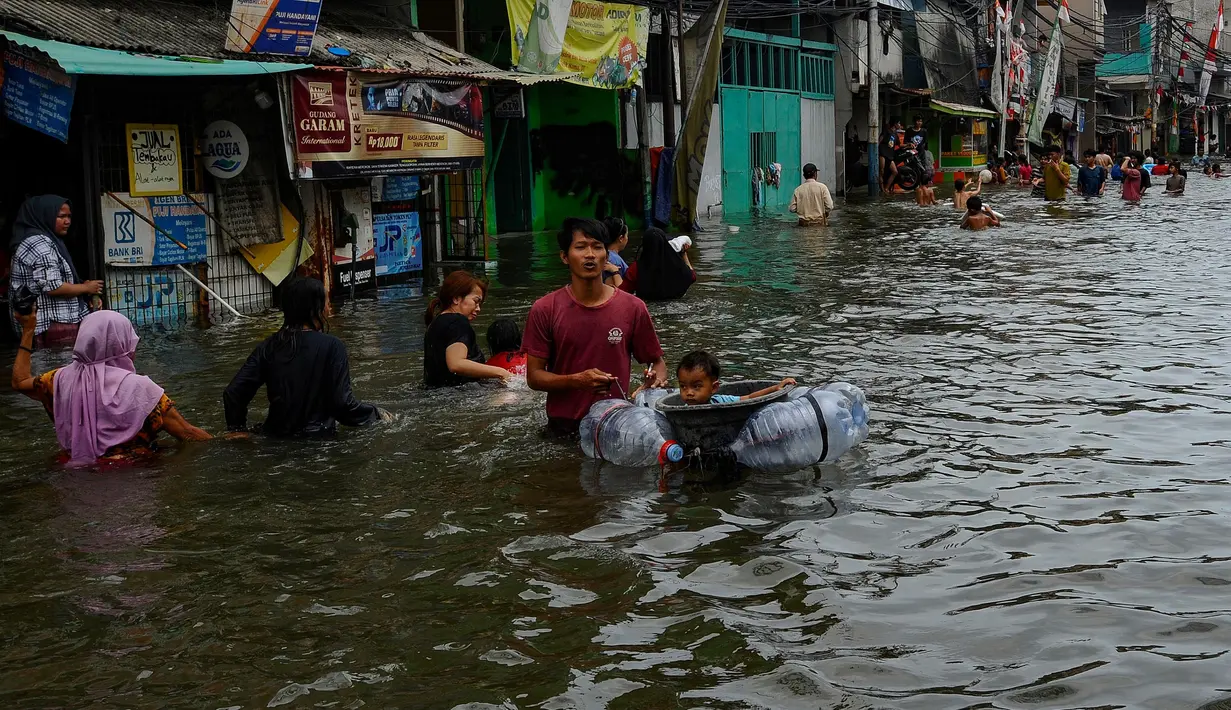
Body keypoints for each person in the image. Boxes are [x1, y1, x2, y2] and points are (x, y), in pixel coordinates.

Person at [524, 217, 668, 436]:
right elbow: (534, 377)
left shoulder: (633, 307)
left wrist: (652, 384)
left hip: (617, 423)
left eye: (597, 247)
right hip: (564, 425)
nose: (590, 255)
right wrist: (576, 381)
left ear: (607, 256)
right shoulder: (545, 309)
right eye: (581, 247)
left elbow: (656, 362)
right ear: (564, 257)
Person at [12, 308, 211, 464]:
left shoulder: (56, 380)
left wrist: (28, 329)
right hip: (132, 477)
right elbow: (187, 433)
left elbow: (19, 382)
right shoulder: (143, 390)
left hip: (73, 469)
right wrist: (224, 443)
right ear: (123, 342)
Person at [223, 278, 387, 436]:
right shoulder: (333, 346)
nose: (328, 307)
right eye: (326, 302)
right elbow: (342, 405)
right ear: (315, 308)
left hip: (274, 439)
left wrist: (237, 430)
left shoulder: (269, 346)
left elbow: (234, 392)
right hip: (318, 444)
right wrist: (376, 414)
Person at [8, 195, 102, 347]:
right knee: (56, 370)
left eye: (69, 216)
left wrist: (82, 289)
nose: (67, 221)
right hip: (51, 325)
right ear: (45, 216)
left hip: (54, 324)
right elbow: (53, 286)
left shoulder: (47, 240)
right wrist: (86, 288)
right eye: (61, 216)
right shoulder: (39, 244)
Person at [420, 270, 511, 388]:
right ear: (456, 298)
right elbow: (456, 364)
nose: (478, 309)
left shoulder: (436, 322)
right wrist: (501, 373)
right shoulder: (458, 322)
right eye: (476, 301)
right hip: (460, 396)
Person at [676, 351, 795, 406]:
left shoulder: (720, 402)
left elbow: (749, 398)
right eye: (683, 386)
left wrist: (775, 388)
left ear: (714, 387)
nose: (689, 393)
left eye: (696, 386)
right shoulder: (682, 411)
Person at [620, 227, 696, 301]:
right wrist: (684, 254)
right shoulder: (676, 264)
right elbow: (692, 277)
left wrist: (615, 273)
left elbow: (623, 291)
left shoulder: (636, 268)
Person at [601, 217, 630, 289]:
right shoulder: (612, 260)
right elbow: (612, 291)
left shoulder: (609, 256)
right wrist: (615, 272)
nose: (627, 238)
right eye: (626, 235)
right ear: (621, 238)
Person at [879, 118, 902, 192]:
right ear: (895, 124)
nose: (899, 125)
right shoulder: (886, 131)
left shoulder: (895, 134)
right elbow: (879, 140)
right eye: (898, 123)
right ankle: (882, 189)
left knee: (895, 172)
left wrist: (908, 145)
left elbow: (899, 144)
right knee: (881, 171)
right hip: (882, 154)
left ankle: (886, 188)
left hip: (890, 155)